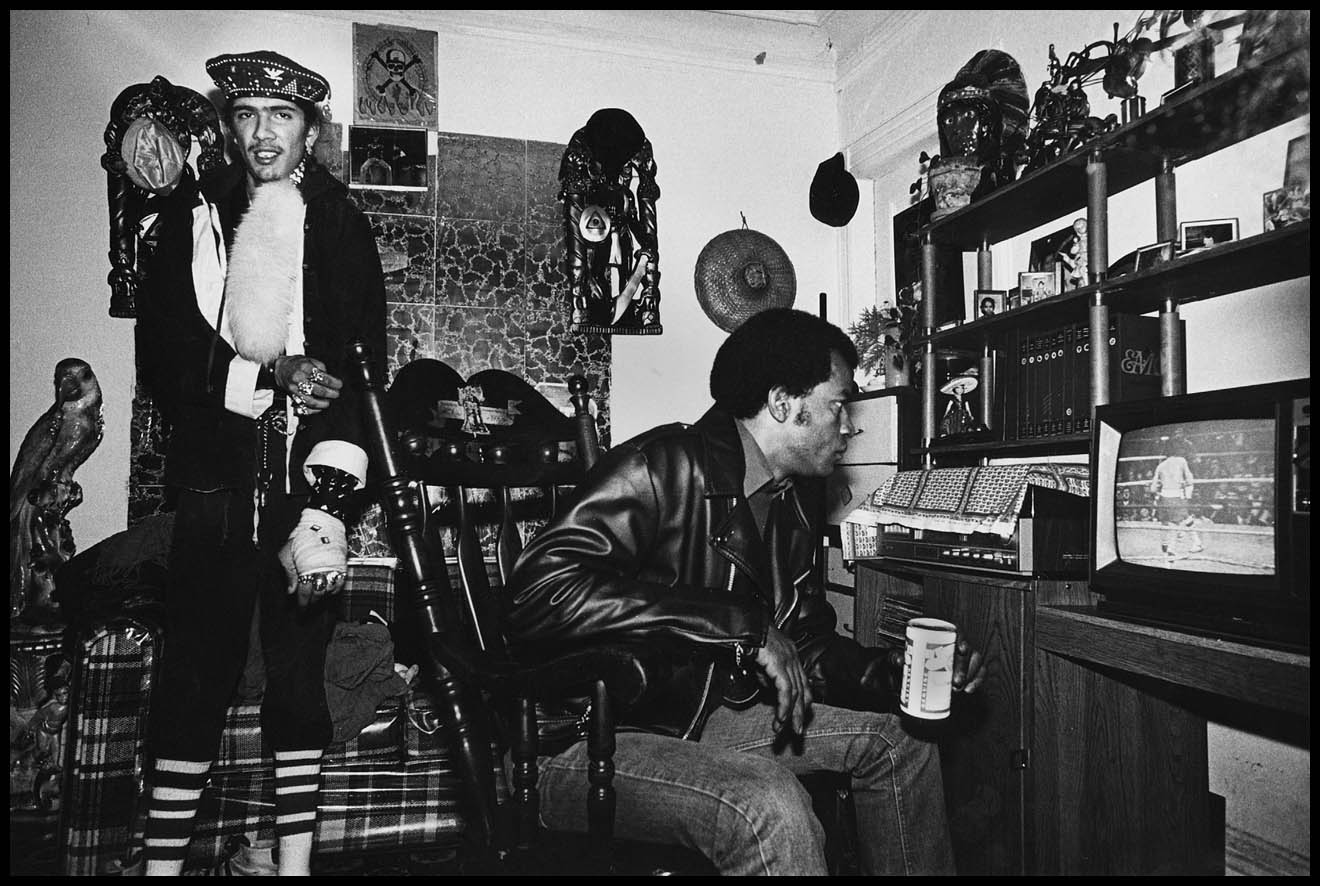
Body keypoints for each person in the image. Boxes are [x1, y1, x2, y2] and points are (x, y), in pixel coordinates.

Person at [505, 308, 985, 875]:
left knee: (899, 741)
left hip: (702, 719)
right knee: (770, 804)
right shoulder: (661, 468)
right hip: (587, 741)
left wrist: (889, 671)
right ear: (784, 403)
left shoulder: (794, 498)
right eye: (839, 404)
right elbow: (536, 596)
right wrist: (738, 624)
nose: (849, 426)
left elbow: (803, 642)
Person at [133, 50, 387, 876]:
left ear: (310, 131)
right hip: (214, 486)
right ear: (229, 126)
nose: (261, 133)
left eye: (280, 116)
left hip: (307, 492)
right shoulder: (194, 219)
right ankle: (163, 868)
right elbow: (169, 359)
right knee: (193, 677)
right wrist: (267, 374)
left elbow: (366, 373)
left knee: (300, 679)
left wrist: (333, 507)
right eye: (246, 115)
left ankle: (292, 866)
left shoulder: (344, 224)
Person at [1149, 437, 1204, 563]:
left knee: (1171, 521)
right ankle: (1172, 550)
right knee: (1177, 523)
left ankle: (1193, 543)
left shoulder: (1160, 466)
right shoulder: (1181, 461)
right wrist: (1182, 484)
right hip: (1177, 496)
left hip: (1163, 497)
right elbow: (1190, 480)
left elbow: (1152, 489)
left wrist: (1161, 486)